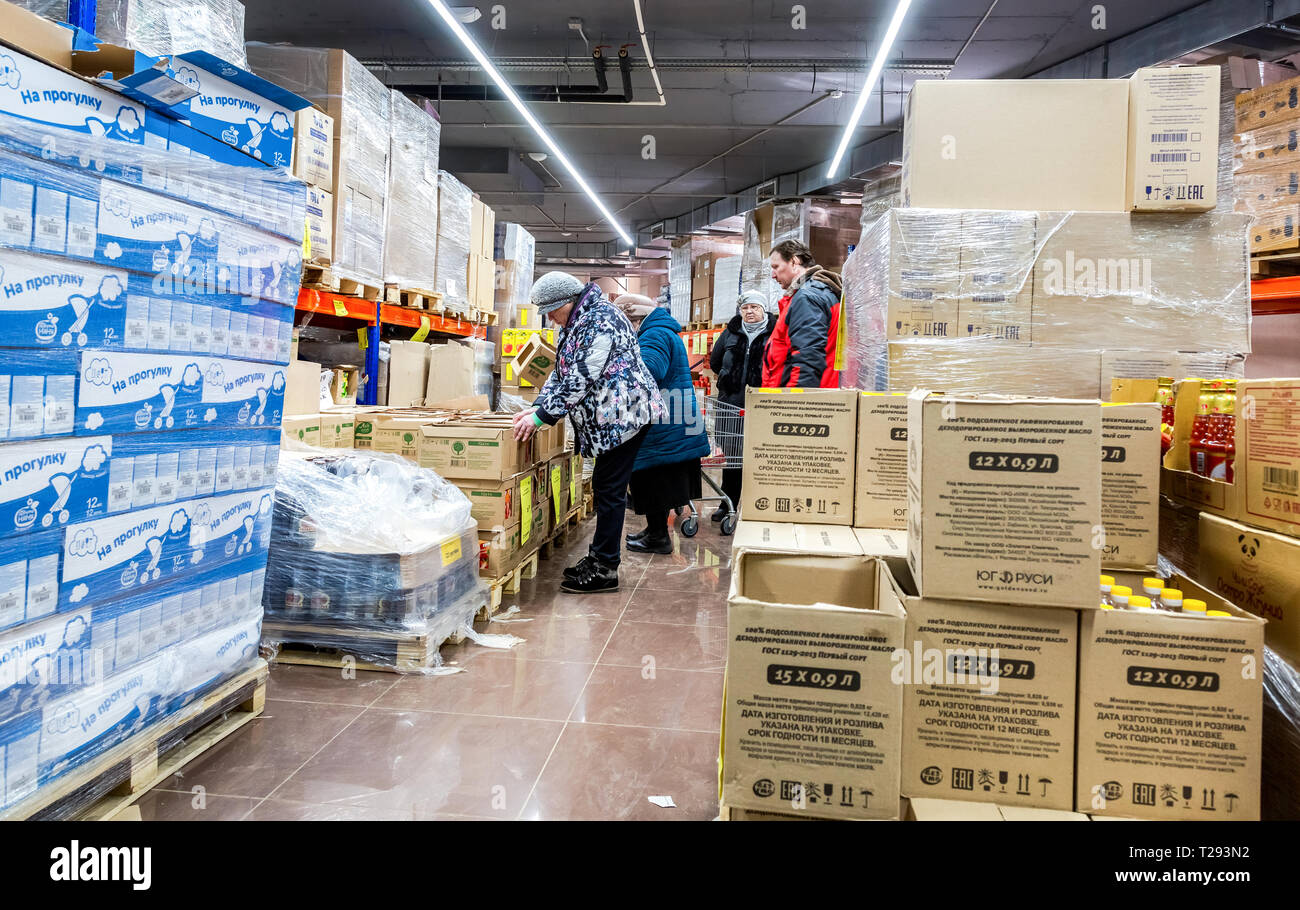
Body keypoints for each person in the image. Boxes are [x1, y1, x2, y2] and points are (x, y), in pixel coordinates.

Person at [511, 273, 665, 593]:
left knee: (609, 489)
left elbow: (581, 376)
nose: (550, 318)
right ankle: (598, 558)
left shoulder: (600, 320)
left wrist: (542, 418)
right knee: (604, 486)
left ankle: (605, 568)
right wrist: (538, 405)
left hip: (625, 416)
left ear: (568, 301)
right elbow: (561, 372)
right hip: (612, 415)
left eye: (552, 310)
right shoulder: (578, 321)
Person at [615, 294, 711, 554]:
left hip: (662, 422)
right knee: (655, 479)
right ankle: (654, 531)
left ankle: (658, 537)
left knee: (653, 479)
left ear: (634, 319)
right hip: (670, 418)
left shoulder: (654, 334)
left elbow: (650, 370)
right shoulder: (659, 330)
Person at [708, 290, 776, 520]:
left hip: (762, 405)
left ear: (764, 309)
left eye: (755, 307)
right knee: (733, 456)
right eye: (745, 307)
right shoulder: (730, 332)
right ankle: (727, 504)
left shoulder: (774, 332)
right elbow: (715, 361)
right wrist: (730, 380)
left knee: (760, 456)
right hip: (731, 403)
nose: (749, 311)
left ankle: (758, 505)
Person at [761, 239, 843, 388]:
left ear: (794, 261)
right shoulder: (815, 292)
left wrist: (797, 403)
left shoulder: (807, 297)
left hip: (801, 402)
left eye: (776, 267)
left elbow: (808, 357)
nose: (773, 275)